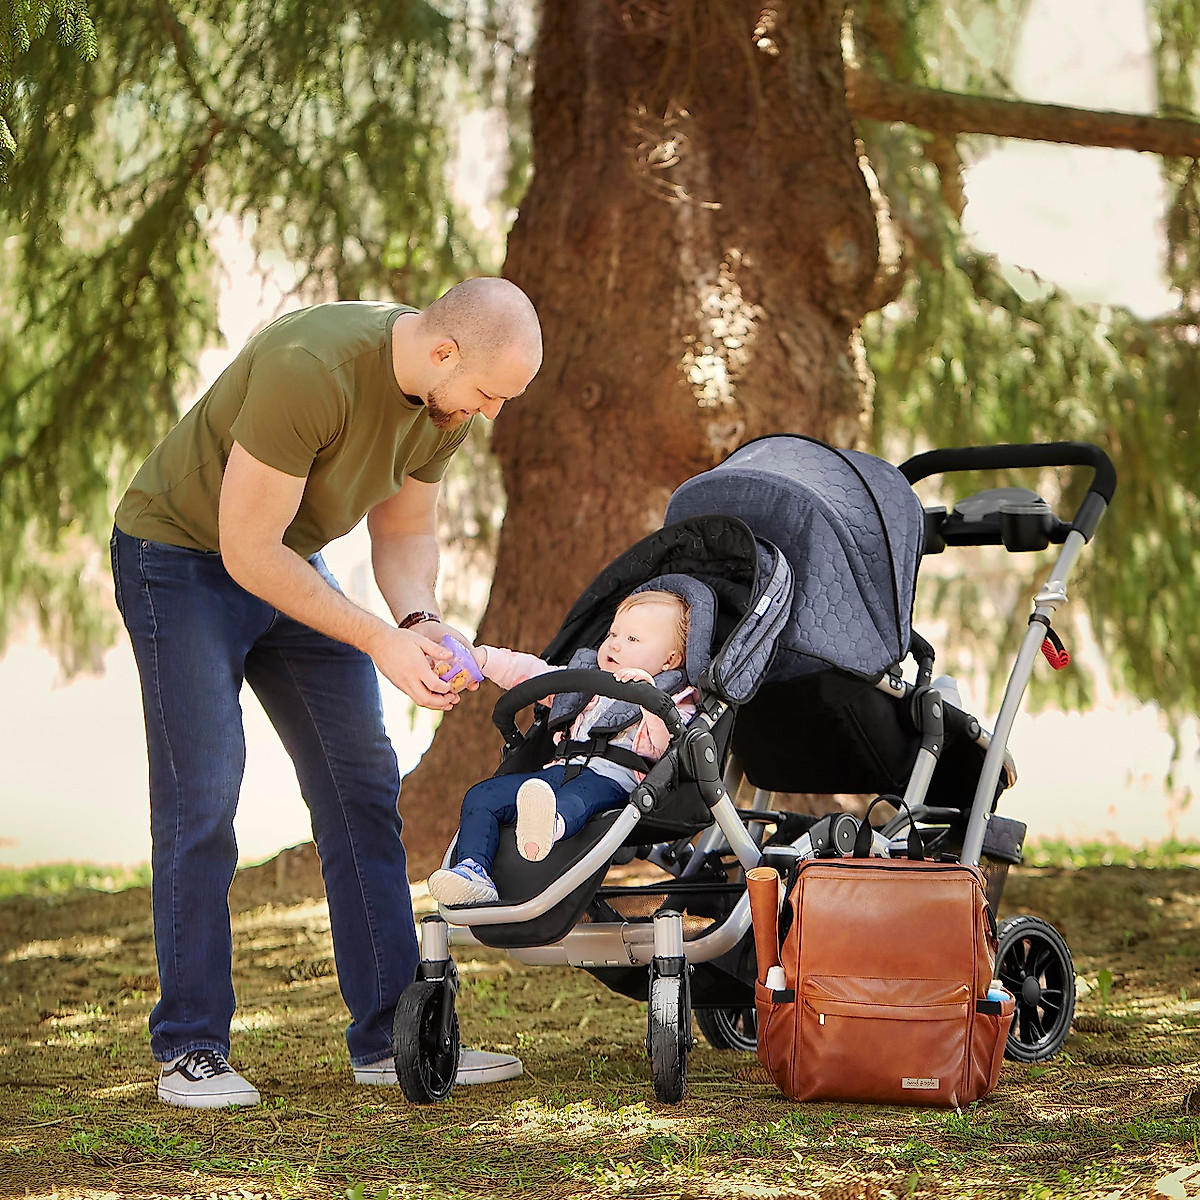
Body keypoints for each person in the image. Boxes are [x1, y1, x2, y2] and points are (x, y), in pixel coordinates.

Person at [110, 278, 542, 1108]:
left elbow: (406, 531)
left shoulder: (442, 407)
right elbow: (245, 549)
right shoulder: (311, 367)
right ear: (444, 351)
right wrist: (378, 639)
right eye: (489, 394)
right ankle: (190, 1048)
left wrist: (418, 620)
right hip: (181, 559)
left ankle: (390, 1037)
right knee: (202, 797)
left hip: (286, 561)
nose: (489, 413)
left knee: (363, 788)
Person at [429, 591, 697, 906]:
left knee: (576, 798)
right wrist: (484, 659)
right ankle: (473, 870)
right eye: (612, 633)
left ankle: (548, 827)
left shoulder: (674, 699)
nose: (615, 643)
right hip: (558, 769)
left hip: (614, 778)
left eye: (633, 639)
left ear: (670, 660)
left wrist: (649, 698)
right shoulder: (582, 683)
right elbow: (529, 672)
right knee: (482, 796)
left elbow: (665, 747)